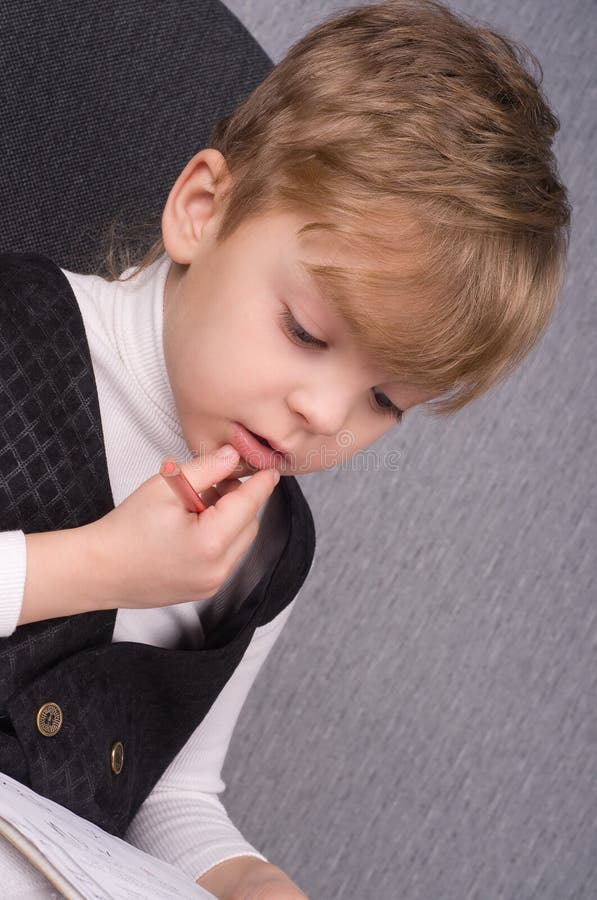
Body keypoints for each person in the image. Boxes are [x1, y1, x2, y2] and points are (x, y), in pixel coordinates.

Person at [0, 0, 570, 896]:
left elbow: (173, 794)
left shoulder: (263, 551)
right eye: (306, 332)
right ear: (201, 210)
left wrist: (251, 882)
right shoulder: (13, 333)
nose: (323, 414)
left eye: (385, 400)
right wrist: (101, 567)